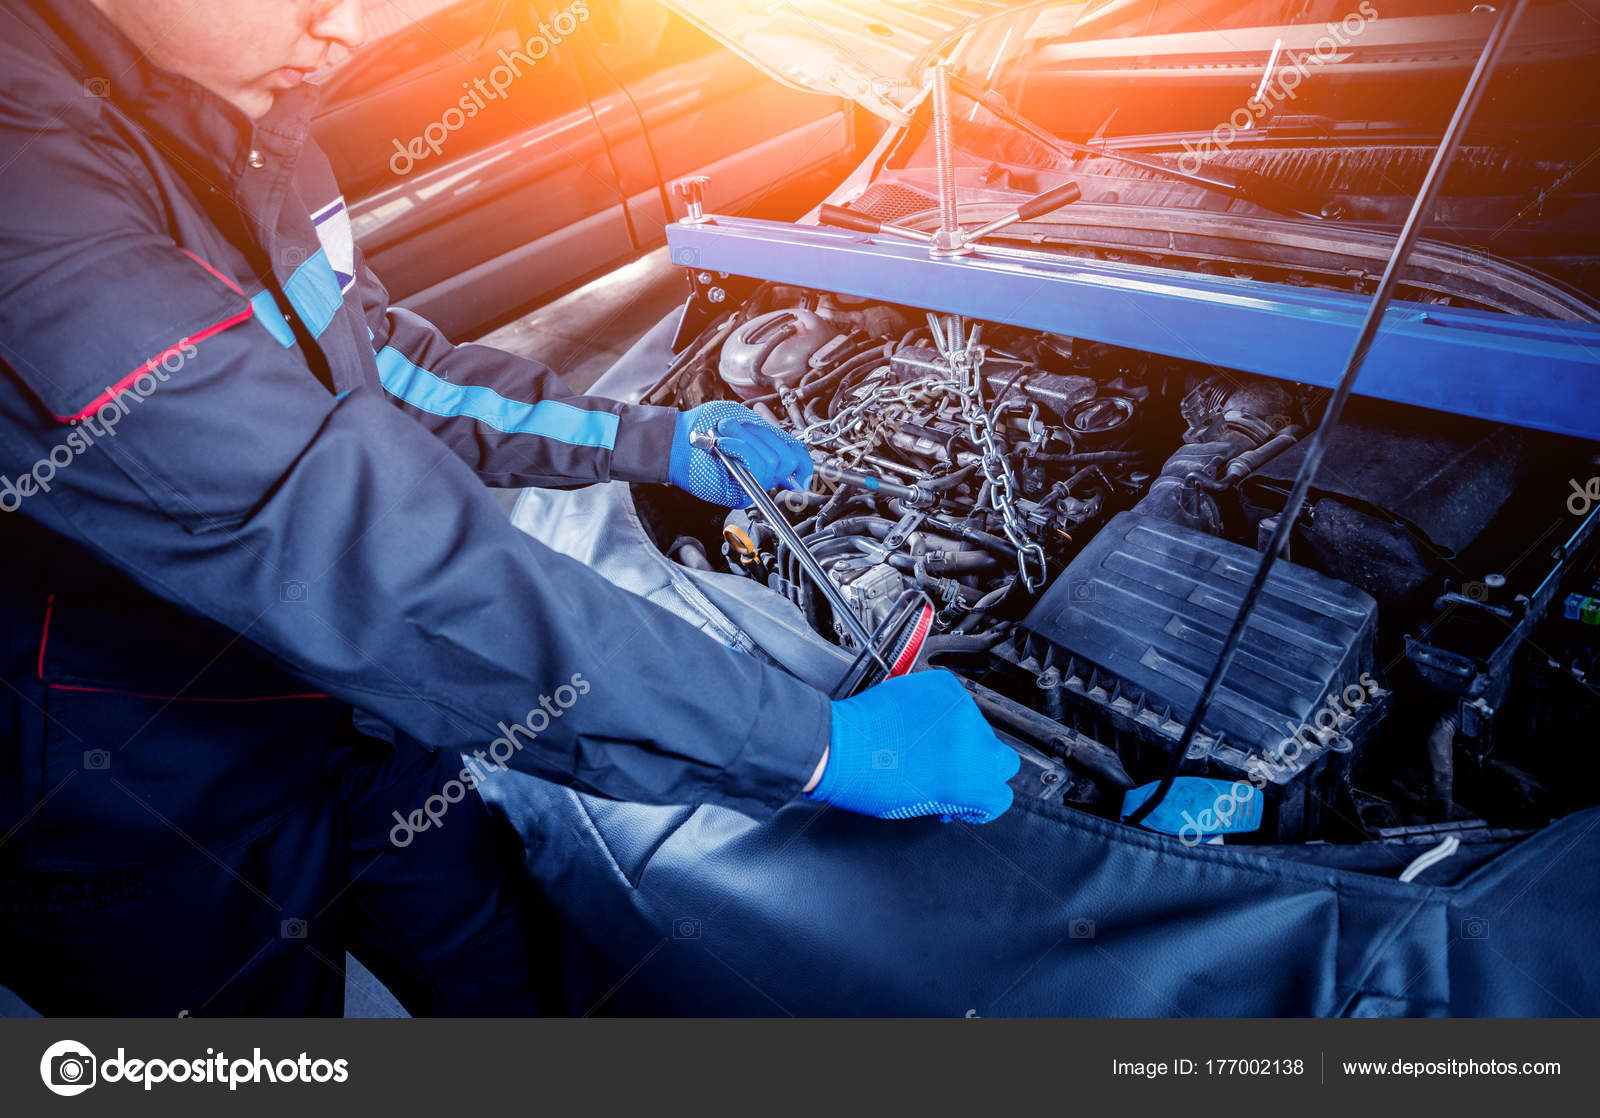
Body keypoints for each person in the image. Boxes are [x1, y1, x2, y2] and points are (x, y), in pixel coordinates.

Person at [0, 0, 1018, 1016]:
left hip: (359, 727)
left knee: (515, 983)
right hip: (145, 795)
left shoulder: (242, 118)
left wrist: (649, 439)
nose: (346, 31)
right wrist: (809, 743)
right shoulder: (28, 195)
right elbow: (361, 553)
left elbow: (378, 365)